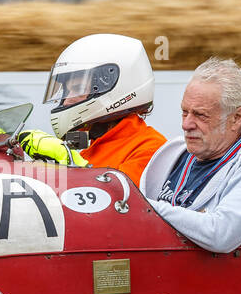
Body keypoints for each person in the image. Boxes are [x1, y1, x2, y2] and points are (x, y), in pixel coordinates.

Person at [139, 57, 241, 253]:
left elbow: (220, 234)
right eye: (184, 112)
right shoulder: (172, 153)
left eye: (200, 115)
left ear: (236, 118)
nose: (186, 124)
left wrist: (145, 208)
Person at [18, 34, 168, 184]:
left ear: (110, 86)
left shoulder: (151, 149)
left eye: (77, 88)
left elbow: (118, 198)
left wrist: (69, 160)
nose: (67, 99)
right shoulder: (94, 148)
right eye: (66, 91)